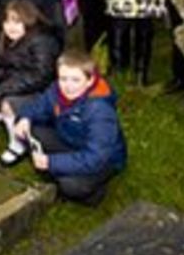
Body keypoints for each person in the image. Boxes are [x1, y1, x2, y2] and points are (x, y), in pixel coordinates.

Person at [13, 50, 127, 206]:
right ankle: (60, 170)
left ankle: (95, 194)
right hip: (72, 141)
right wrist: (25, 117)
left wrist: (51, 162)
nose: (68, 86)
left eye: (75, 80)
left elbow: (96, 157)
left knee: (71, 186)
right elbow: (39, 105)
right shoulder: (56, 90)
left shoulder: (99, 110)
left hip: (104, 160)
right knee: (30, 130)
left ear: (89, 80)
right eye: (63, 79)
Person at [0, 0, 60, 166]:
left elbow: (41, 76)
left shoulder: (43, 40)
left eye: (17, 21)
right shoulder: (8, 40)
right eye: (7, 21)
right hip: (14, 86)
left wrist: (0, 92)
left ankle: (17, 145)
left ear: (29, 20)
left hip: (41, 92)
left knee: (8, 103)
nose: (10, 26)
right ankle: (12, 119)